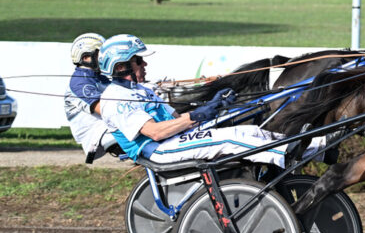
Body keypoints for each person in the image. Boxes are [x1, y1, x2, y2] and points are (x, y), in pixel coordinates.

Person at [97, 34, 327, 168]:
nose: (144, 65)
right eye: (138, 61)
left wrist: (211, 109)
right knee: (232, 138)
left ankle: (319, 147)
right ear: (120, 66)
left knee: (250, 131)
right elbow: (155, 132)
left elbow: (176, 119)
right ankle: (284, 154)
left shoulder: (141, 90)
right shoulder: (115, 99)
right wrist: (195, 115)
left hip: (175, 139)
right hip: (159, 150)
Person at [64, 32, 118, 162]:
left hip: (109, 126)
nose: (106, 59)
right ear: (87, 57)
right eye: (101, 55)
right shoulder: (79, 82)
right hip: (96, 134)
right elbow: (103, 109)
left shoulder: (100, 77)